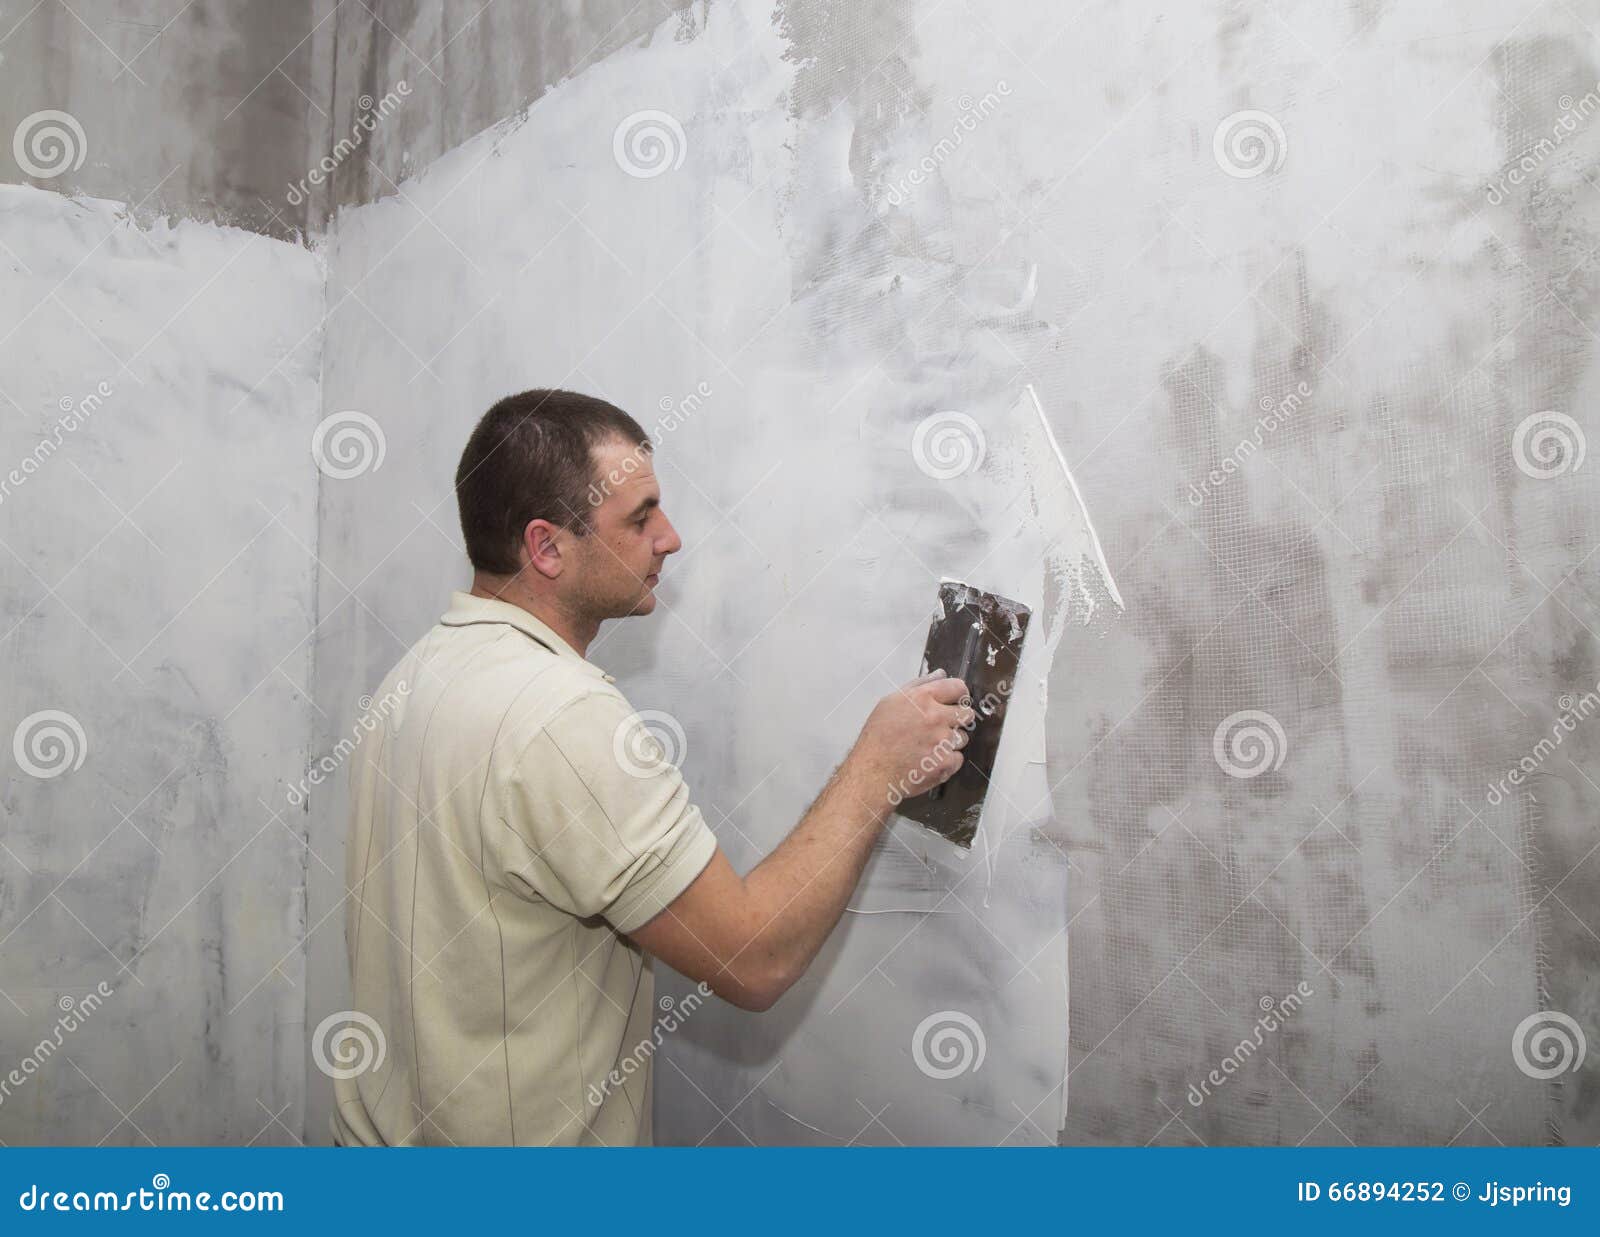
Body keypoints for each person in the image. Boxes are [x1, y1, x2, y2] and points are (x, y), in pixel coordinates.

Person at [331, 388, 971, 1146]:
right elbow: (753, 958)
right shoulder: (562, 717)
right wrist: (877, 767)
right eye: (640, 517)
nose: (670, 537)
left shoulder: (415, 673)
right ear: (546, 547)